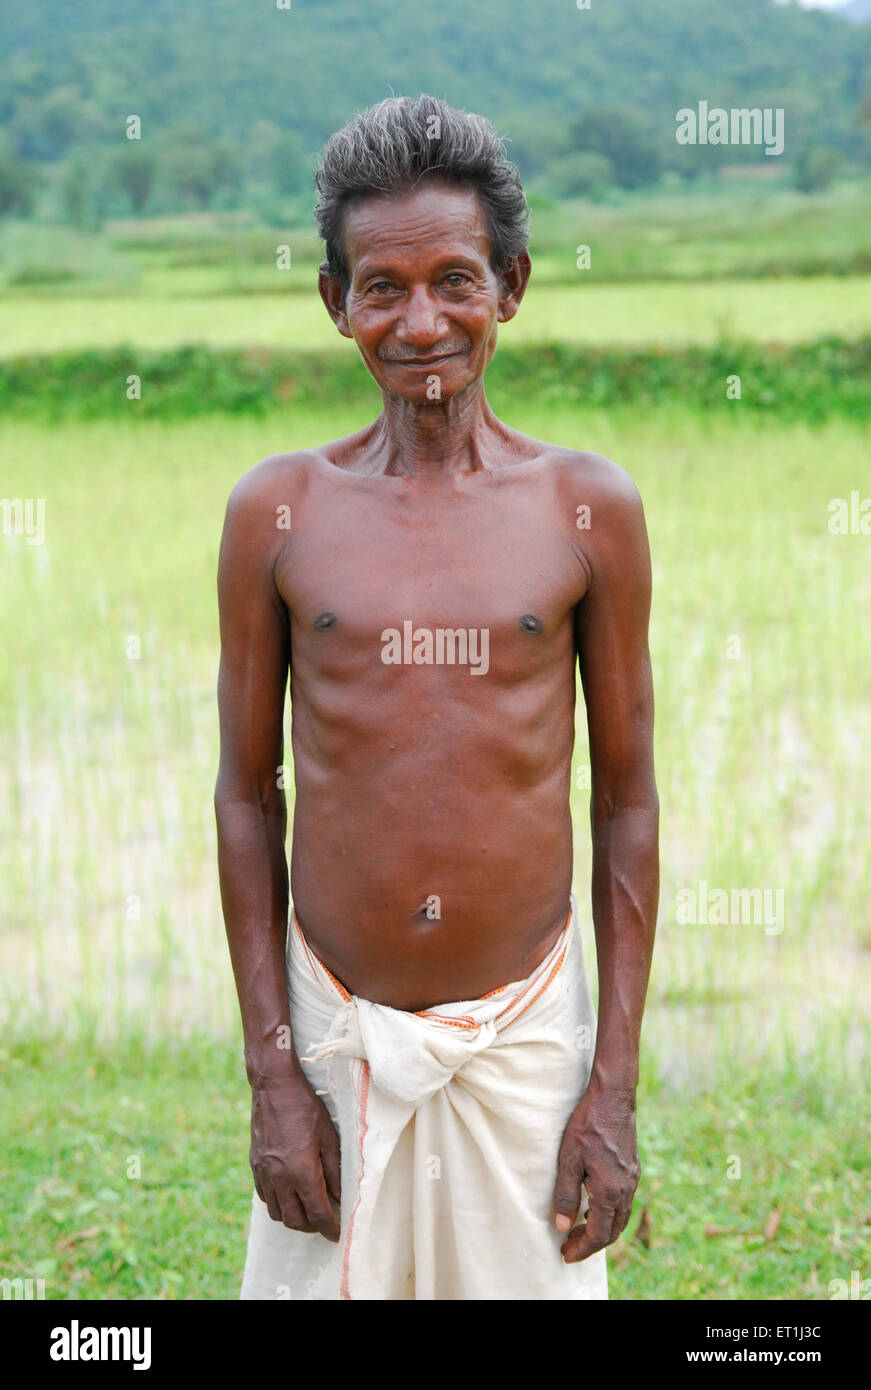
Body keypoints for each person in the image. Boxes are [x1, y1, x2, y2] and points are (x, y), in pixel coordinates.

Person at [213, 93, 659, 1300]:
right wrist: (274, 1077)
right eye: (382, 288)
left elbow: (626, 800)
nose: (421, 323)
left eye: (454, 280)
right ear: (335, 303)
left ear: (511, 284)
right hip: (332, 1031)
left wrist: (608, 1083)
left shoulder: (587, 508)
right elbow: (247, 798)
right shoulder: (279, 511)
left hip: (525, 1043)